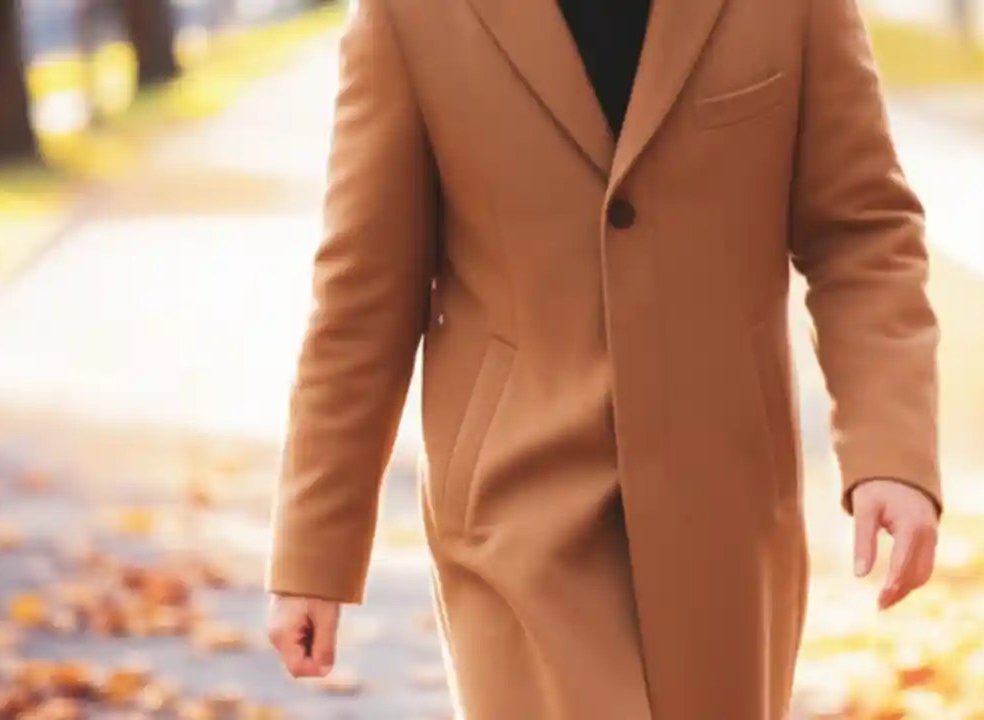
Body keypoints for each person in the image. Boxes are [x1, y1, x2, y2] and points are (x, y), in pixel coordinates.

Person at [265, 0, 942, 717]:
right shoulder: (409, 15)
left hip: (726, 511)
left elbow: (863, 235)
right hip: (514, 512)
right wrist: (315, 550)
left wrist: (890, 452)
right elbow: (364, 297)